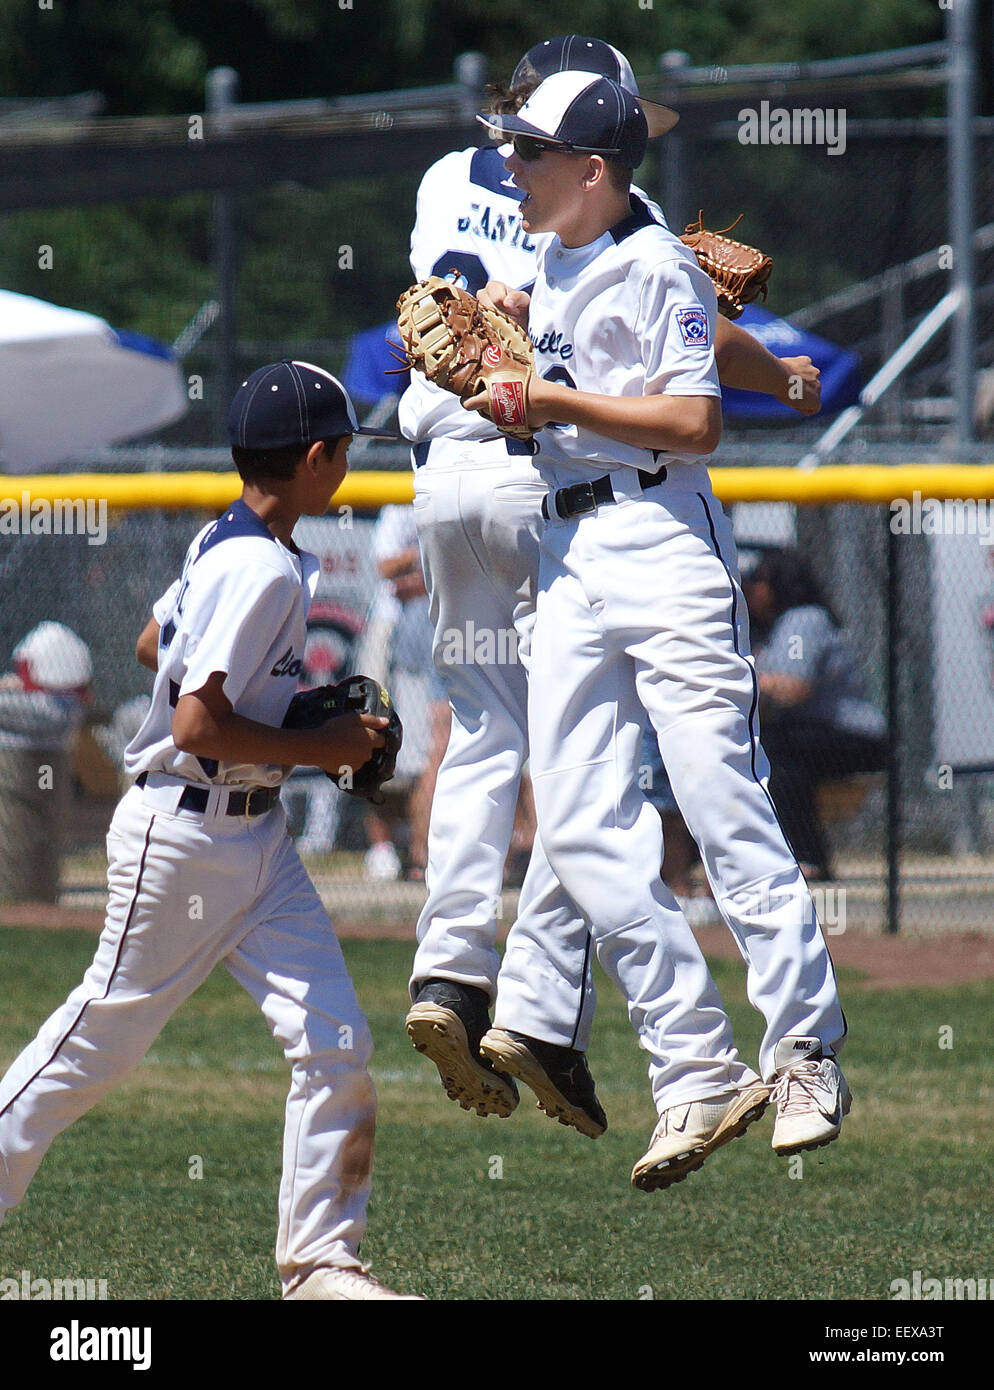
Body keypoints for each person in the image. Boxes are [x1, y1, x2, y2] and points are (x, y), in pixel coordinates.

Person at [402, 35, 826, 1151]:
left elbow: (696, 424)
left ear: (593, 169)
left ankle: (803, 1055)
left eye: (535, 153)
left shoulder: (655, 267)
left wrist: (547, 399)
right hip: (564, 553)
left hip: (659, 542)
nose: (515, 169)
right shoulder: (555, 261)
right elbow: (528, 316)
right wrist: (493, 311)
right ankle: (693, 1065)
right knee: (584, 827)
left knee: (721, 801)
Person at [0, 361, 422, 1300]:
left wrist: (285, 707)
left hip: (255, 841)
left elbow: (158, 648)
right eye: (346, 450)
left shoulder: (228, 539)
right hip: (181, 836)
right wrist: (321, 746)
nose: (349, 464)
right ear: (316, 459)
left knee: (334, 1042)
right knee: (94, 1048)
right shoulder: (260, 565)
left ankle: (319, 1266)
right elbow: (193, 725)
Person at [744, 548, 887, 882]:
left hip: (855, 737)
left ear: (780, 583)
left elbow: (794, 689)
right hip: (810, 736)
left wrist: (740, 676)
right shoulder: (763, 628)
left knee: (778, 752)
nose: (749, 588)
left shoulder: (804, 618)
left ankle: (808, 857)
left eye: (758, 580)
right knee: (762, 747)